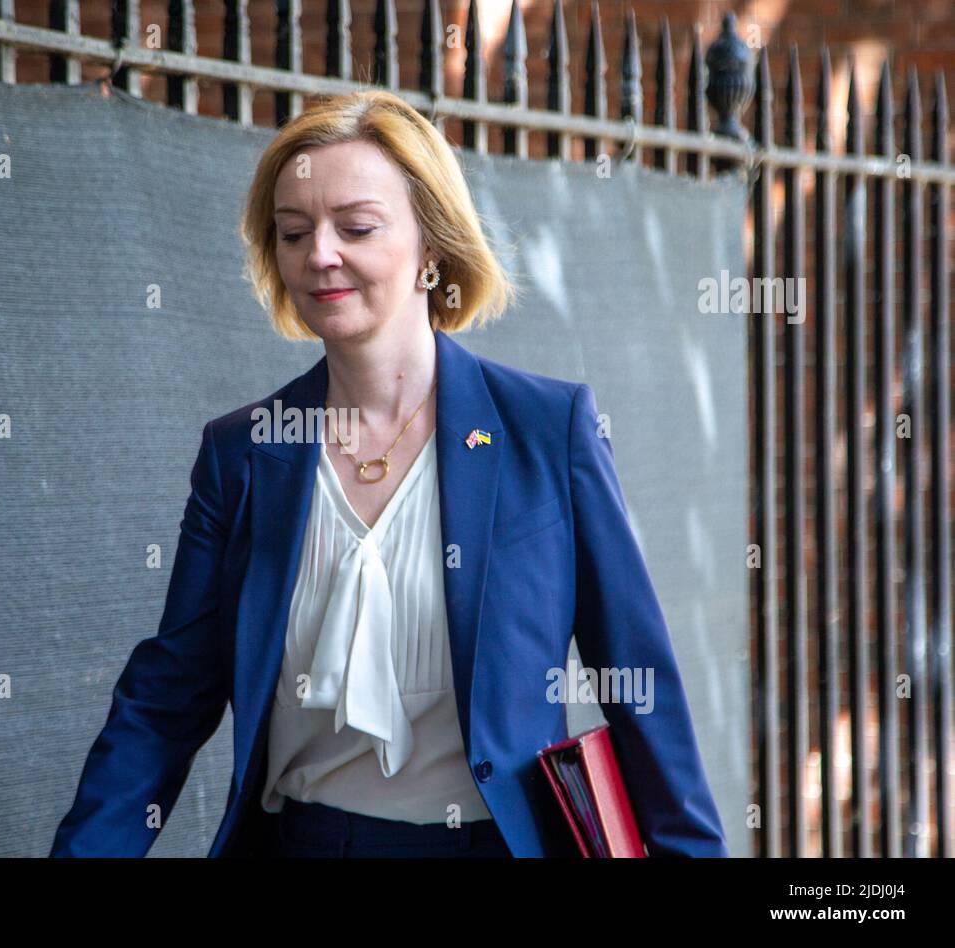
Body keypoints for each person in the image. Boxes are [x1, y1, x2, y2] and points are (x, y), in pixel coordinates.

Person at [49, 89, 728, 858]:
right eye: (294, 232)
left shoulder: (548, 431)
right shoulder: (242, 456)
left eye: (357, 227)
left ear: (431, 246)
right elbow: (167, 699)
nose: (320, 254)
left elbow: (640, 686)